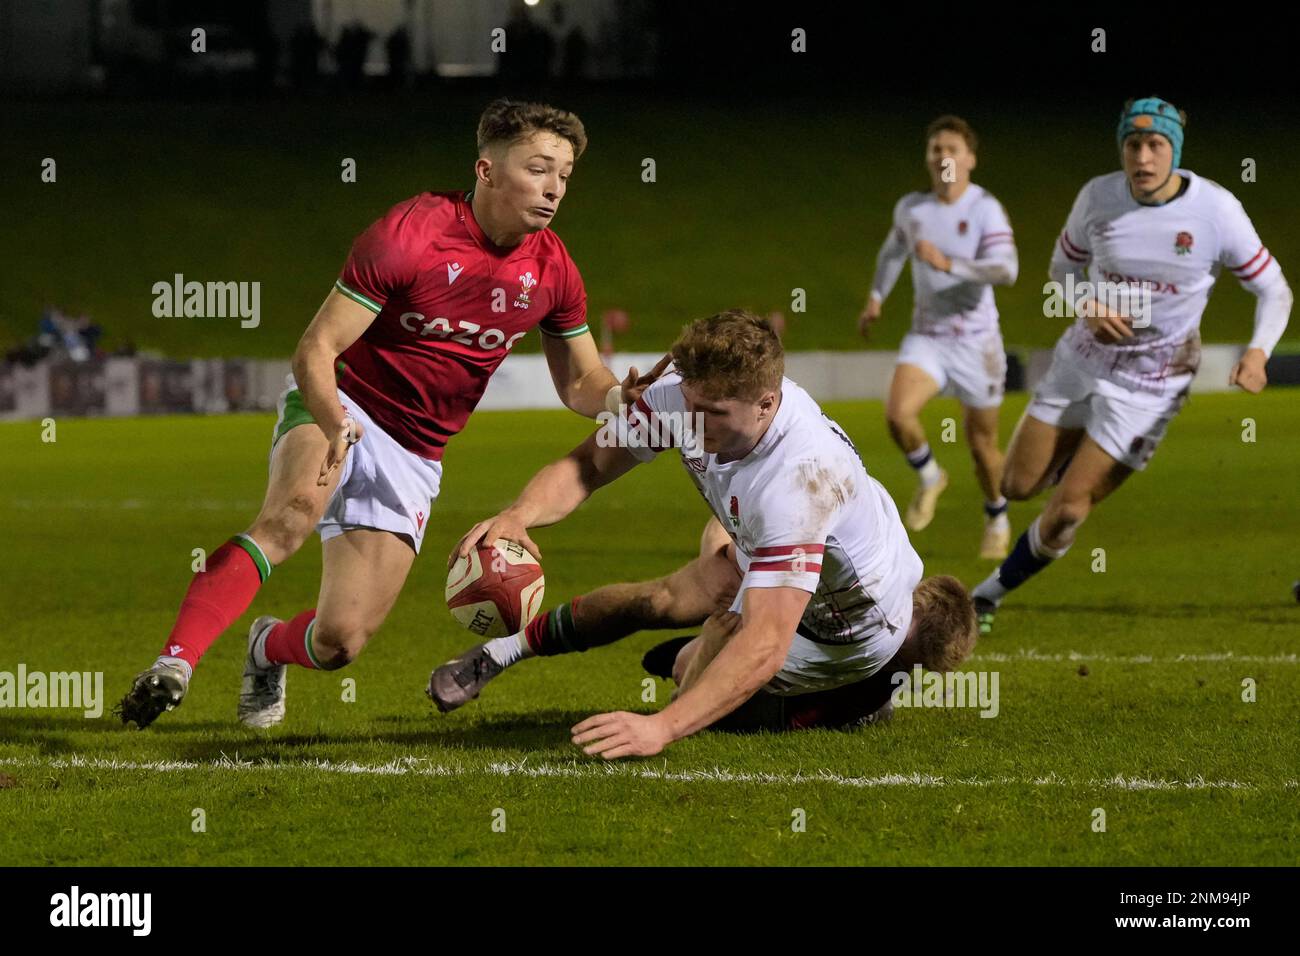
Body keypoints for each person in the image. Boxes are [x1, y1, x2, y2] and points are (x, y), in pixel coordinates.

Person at [117, 99, 663, 729]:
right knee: (290, 516)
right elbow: (316, 350)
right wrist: (331, 419)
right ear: (487, 170)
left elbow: (580, 383)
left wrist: (620, 398)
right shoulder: (411, 235)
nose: (555, 188)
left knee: (340, 642)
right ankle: (174, 664)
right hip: (342, 401)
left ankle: (267, 648)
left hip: (415, 454)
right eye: (540, 169)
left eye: (565, 175)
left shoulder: (553, 269)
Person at [430, 311, 976, 758]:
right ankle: (498, 653)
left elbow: (767, 642)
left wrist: (662, 727)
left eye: (712, 414)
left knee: (697, 670)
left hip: (845, 622)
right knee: (660, 598)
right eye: (689, 406)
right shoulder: (684, 398)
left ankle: (862, 692)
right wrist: (518, 515)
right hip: (784, 534)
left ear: (768, 403)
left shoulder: (800, 482)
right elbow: (588, 468)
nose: (693, 424)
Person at [971, 97, 1292, 634]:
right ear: (1122, 148)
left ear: (1174, 151)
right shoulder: (1098, 196)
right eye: (1133, 145)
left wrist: (1258, 352)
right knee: (1017, 484)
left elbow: (1273, 289)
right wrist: (1086, 304)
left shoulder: (1215, 210)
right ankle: (1067, 485)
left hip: (1153, 379)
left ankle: (986, 595)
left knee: (1071, 509)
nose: (1143, 158)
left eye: (1156, 145)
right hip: (1084, 358)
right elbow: (1061, 268)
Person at [859, 116, 1019, 558]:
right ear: (928, 160)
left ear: (969, 159)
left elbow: (1008, 269)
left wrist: (950, 264)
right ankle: (930, 476)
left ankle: (997, 515)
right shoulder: (913, 210)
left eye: (952, 149)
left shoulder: (985, 208)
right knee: (897, 414)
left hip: (977, 342)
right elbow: (892, 253)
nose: (943, 156)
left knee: (982, 445)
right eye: (936, 150)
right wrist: (875, 296)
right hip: (927, 336)